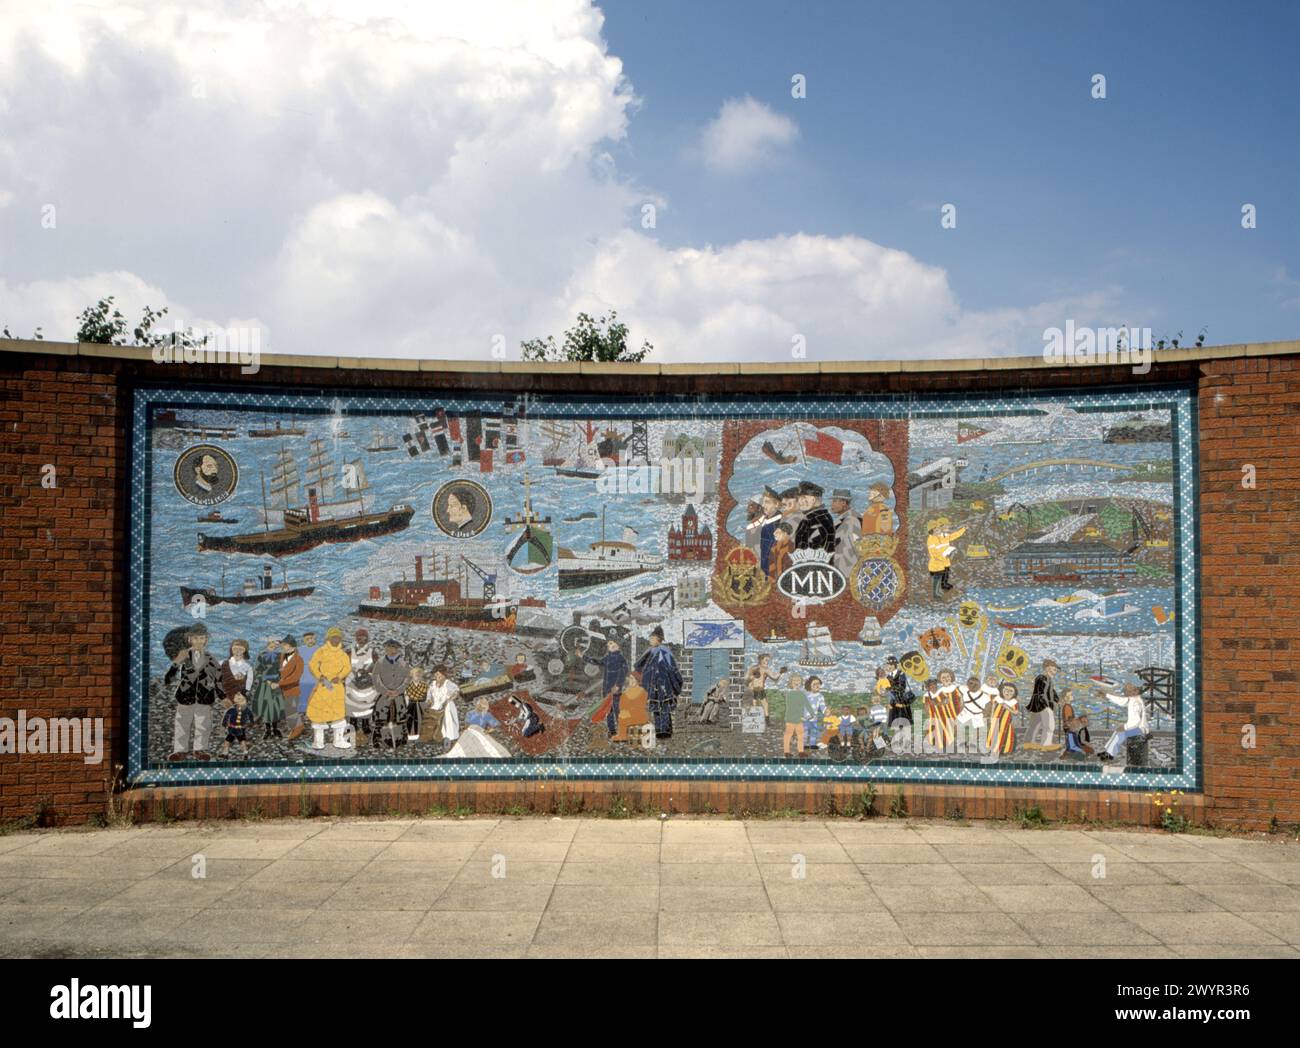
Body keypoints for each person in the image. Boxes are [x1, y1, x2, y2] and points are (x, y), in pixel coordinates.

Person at [164, 623, 224, 760]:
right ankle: (179, 750)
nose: (199, 641)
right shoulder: (184, 655)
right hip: (185, 695)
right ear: (190, 639)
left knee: (203, 724)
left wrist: (222, 695)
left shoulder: (210, 658)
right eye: (195, 638)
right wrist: (175, 664)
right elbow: (170, 675)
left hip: (205, 696)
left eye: (202, 638)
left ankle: (200, 749)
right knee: (182, 722)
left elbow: (218, 677)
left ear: (206, 640)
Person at [306, 626, 352, 750]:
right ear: (328, 638)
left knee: (338, 713)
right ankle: (318, 742)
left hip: (337, 686)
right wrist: (319, 676)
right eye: (333, 637)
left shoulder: (342, 654)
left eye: (338, 637)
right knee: (319, 712)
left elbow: (347, 667)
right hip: (324, 685)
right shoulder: (321, 651)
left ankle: (338, 740)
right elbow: (312, 664)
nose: (336, 639)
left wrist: (340, 676)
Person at [634, 626, 683, 738]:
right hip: (654, 684)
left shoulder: (664, 651)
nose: (650, 640)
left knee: (664, 707)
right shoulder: (651, 651)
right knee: (657, 707)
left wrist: (676, 682)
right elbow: (639, 666)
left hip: (664, 684)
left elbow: (672, 668)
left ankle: (665, 730)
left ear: (658, 639)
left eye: (652, 638)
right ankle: (661, 730)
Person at [585, 638, 629, 738]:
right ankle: (612, 730)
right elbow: (596, 661)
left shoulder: (621, 659)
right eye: (609, 645)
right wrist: (583, 657)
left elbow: (623, 672)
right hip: (606, 689)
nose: (611, 645)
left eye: (613, 644)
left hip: (616, 690)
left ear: (618, 646)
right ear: (608, 648)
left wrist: (617, 685)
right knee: (608, 710)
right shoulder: (607, 658)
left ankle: (622, 730)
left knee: (618, 710)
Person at [374, 638, 413, 741]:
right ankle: (379, 738)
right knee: (381, 716)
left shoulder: (404, 663)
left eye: (390, 647)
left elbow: (407, 679)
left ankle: (400, 738)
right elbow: (376, 678)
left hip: (398, 696)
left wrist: (398, 691)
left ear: (396, 649)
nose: (387, 650)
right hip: (384, 695)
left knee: (400, 717)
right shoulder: (380, 662)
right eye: (386, 647)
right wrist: (385, 691)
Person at [1098, 684, 1149, 762]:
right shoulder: (1134, 699)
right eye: (1125, 690)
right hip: (1137, 727)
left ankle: (1110, 755)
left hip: (1140, 729)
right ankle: (1107, 752)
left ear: (1136, 691)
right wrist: (1106, 695)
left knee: (1120, 735)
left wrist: (1125, 727)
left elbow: (1136, 720)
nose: (1125, 692)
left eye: (1128, 690)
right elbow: (1120, 700)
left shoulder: (1135, 703)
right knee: (1117, 731)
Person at [286, 629, 319, 742]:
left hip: (315, 681)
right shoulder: (299, 650)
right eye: (307, 639)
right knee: (298, 705)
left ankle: (315, 729)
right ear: (304, 640)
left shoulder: (321, 650)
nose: (310, 641)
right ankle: (298, 727)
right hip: (301, 681)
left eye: (311, 638)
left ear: (315, 639)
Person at [745, 486, 784, 576]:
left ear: (777, 505)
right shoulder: (765, 521)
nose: (764, 505)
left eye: (767, 502)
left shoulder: (779, 523)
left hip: (772, 570)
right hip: (762, 566)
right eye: (763, 502)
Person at [1025, 659, 1062, 752]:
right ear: (1048, 668)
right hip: (1042, 704)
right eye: (1054, 669)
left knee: (1037, 723)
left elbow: (1051, 692)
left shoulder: (1047, 679)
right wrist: (1046, 704)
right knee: (1049, 725)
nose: (1055, 672)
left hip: (1041, 704)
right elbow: (1041, 692)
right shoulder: (1042, 678)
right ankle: (1046, 744)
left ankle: (1030, 742)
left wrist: (1057, 700)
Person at [250, 636, 283, 737]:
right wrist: (268, 682)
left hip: (277, 684)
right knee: (265, 706)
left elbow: (283, 670)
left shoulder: (280, 655)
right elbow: (258, 671)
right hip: (265, 685)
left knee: (276, 706)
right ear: (269, 642)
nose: (276, 644)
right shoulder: (262, 655)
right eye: (275, 642)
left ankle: (275, 728)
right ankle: (267, 729)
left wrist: (279, 682)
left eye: (278, 643)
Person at [926, 518, 966, 599]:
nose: (939, 531)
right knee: (937, 578)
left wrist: (963, 529)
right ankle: (936, 593)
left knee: (945, 574)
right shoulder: (932, 539)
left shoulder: (943, 536)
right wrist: (944, 557)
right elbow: (935, 553)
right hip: (937, 564)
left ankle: (943, 586)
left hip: (944, 561)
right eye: (937, 530)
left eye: (939, 530)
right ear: (932, 531)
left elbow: (953, 536)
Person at [794, 481, 835, 553]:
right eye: (799, 498)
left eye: (803, 497)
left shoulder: (812, 520)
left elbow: (811, 550)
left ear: (813, 499)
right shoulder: (824, 516)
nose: (799, 501)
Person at [745, 654, 784, 727]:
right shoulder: (754, 668)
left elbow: (774, 677)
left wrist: (780, 672)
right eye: (766, 660)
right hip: (753, 689)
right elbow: (746, 678)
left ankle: (767, 722)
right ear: (761, 660)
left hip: (761, 689)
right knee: (754, 705)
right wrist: (753, 676)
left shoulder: (766, 669)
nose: (767, 662)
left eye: (768, 660)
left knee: (765, 705)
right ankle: (754, 722)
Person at [955, 675, 991, 753]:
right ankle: (960, 743)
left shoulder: (985, 696)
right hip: (966, 712)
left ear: (979, 685)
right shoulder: (964, 690)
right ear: (967, 684)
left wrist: (986, 715)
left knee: (981, 731)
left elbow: (988, 706)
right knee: (958, 726)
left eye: (976, 684)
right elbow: (957, 688)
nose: (973, 685)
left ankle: (976, 744)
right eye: (971, 683)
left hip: (977, 714)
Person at [426, 665, 461, 744]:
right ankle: (435, 736)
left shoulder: (448, 683)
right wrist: (429, 700)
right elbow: (429, 694)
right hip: (435, 705)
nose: (437, 676)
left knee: (447, 718)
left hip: (446, 705)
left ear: (444, 674)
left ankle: (448, 737)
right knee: (431, 718)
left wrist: (449, 699)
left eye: (438, 674)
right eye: (435, 675)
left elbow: (456, 691)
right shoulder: (433, 684)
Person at [829, 488, 861, 577]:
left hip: (847, 567)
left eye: (835, 501)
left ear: (843, 503)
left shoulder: (851, 519)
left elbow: (855, 545)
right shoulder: (844, 518)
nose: (832, 504)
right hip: (841, 566)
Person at [612, 671, 649, 742]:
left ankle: (626, 735)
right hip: (627, 715)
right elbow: (622, 705)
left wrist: (630, 711)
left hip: (639, 714)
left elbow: (640, 706)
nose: (631, 681)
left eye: (633, 679)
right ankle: (622, 736)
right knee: (622, 716)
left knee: (625, 717)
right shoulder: (626, 692)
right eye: (630, 679)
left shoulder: (642, 692)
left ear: (637, 681)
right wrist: (624, 711)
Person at [922, 676, 957, 752]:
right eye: (931, 685)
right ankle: (934, 744)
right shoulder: (926, 696)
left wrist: (939, 703)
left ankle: (945, 743)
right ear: (928, 687)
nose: (933, 686)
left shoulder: (941, 692)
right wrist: (929, 713)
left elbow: (947, 701)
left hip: (943, 714)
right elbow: (926, 707)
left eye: (934, 685)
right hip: (933, 716)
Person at [986, 681, 1019, 755]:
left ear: (1014, 693)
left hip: (1005, 722)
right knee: (992, 733)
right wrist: (991, 716)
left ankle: (999, 749)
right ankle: (990, 747)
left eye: (1011, 691)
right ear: (1002, 691)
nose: (1008, 692)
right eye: (1006, 690)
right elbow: (993, 706)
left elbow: (1016, 712)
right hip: (995, 719)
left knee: (1003, 734)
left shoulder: (1013, 702)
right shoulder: (998, 699)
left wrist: (1006, 706)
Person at [277, 636, 303, 727]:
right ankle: (292, 726)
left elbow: (295, 677)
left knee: (292, 710)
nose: (282, 646)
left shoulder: (298, 660)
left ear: (292, 646)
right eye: (282, 644)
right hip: (283, 690)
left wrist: (280, 683)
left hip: (292, 689)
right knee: (288, 709)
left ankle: (297, 728)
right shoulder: (282, 656)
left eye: (284, 645)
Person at [220, 640, 253, 709]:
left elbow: (249, 683)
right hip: (224, 693)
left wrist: (244, 694)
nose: (238, 651)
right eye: (235, 648)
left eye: (241, 649)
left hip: (240, 694)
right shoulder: (223, 663)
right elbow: (218, 679)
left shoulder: (248, 667)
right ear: (231, 650)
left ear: (245, 651)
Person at [782, 673, 809, 757]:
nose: (797, 682)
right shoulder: (789, 694)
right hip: (791, 719)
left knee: (801, 734)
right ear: (790, 683)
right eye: (794, 680)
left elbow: (807, 704)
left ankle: (801, 751)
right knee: (788, 734)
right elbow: (791, 708)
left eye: (798, 680)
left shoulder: (801, 694)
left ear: (801, 682)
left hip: (799, 719)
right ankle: (786, 752)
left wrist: (812, 713)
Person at [220, 691, 253, 757]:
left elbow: (250, 717)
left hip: (235, 729)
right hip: (237, 729)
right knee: (240, 741)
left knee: (229, 741)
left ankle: (227, 753)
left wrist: (224, 724)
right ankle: (244, 752)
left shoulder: (242, 709)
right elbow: (227, 716)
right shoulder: (233, 709)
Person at [803, 675, 828, 749]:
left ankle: (812, 744)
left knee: (814, 732)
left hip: (814, 718)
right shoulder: (806, 695)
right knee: (805, 732)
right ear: (809, 685)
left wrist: (826, 712)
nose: (817, 685)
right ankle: (803, 744)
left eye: (818, 684)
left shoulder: (820, 696)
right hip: (805, 718)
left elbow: (822, 706)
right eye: (814, 684)